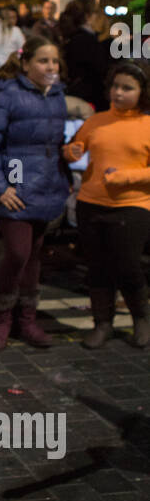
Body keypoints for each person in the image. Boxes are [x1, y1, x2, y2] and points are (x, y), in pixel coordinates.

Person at [0, 35, 70, 349]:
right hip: (14, 188)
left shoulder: (57, 95)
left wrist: (66, 161)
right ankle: (0, 314)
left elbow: (52, 144)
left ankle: (26, 320)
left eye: (54, 61)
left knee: (33, 257)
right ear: (26, 63)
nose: (51, 67)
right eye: (43, 60)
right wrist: (0, 187)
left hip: (47, 186)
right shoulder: (6, 93)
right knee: (17, 253)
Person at [63, 61, 150, 348]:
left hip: (133, 205)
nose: (119, 92)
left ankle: (141, 319)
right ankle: (102, 323)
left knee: (127, 265)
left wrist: (125, 177)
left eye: (128, 88)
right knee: (97, 268)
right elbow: (74, 150)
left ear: (142, 92)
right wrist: (71, 151)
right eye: (115, 86)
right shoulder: (96, 120)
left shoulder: (147, 124)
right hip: (91, 202)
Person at [62, 0, 111, 113]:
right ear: (88, 17)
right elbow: (100, 69)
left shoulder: (71, 37)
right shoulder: (86, 40)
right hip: (90, 97)